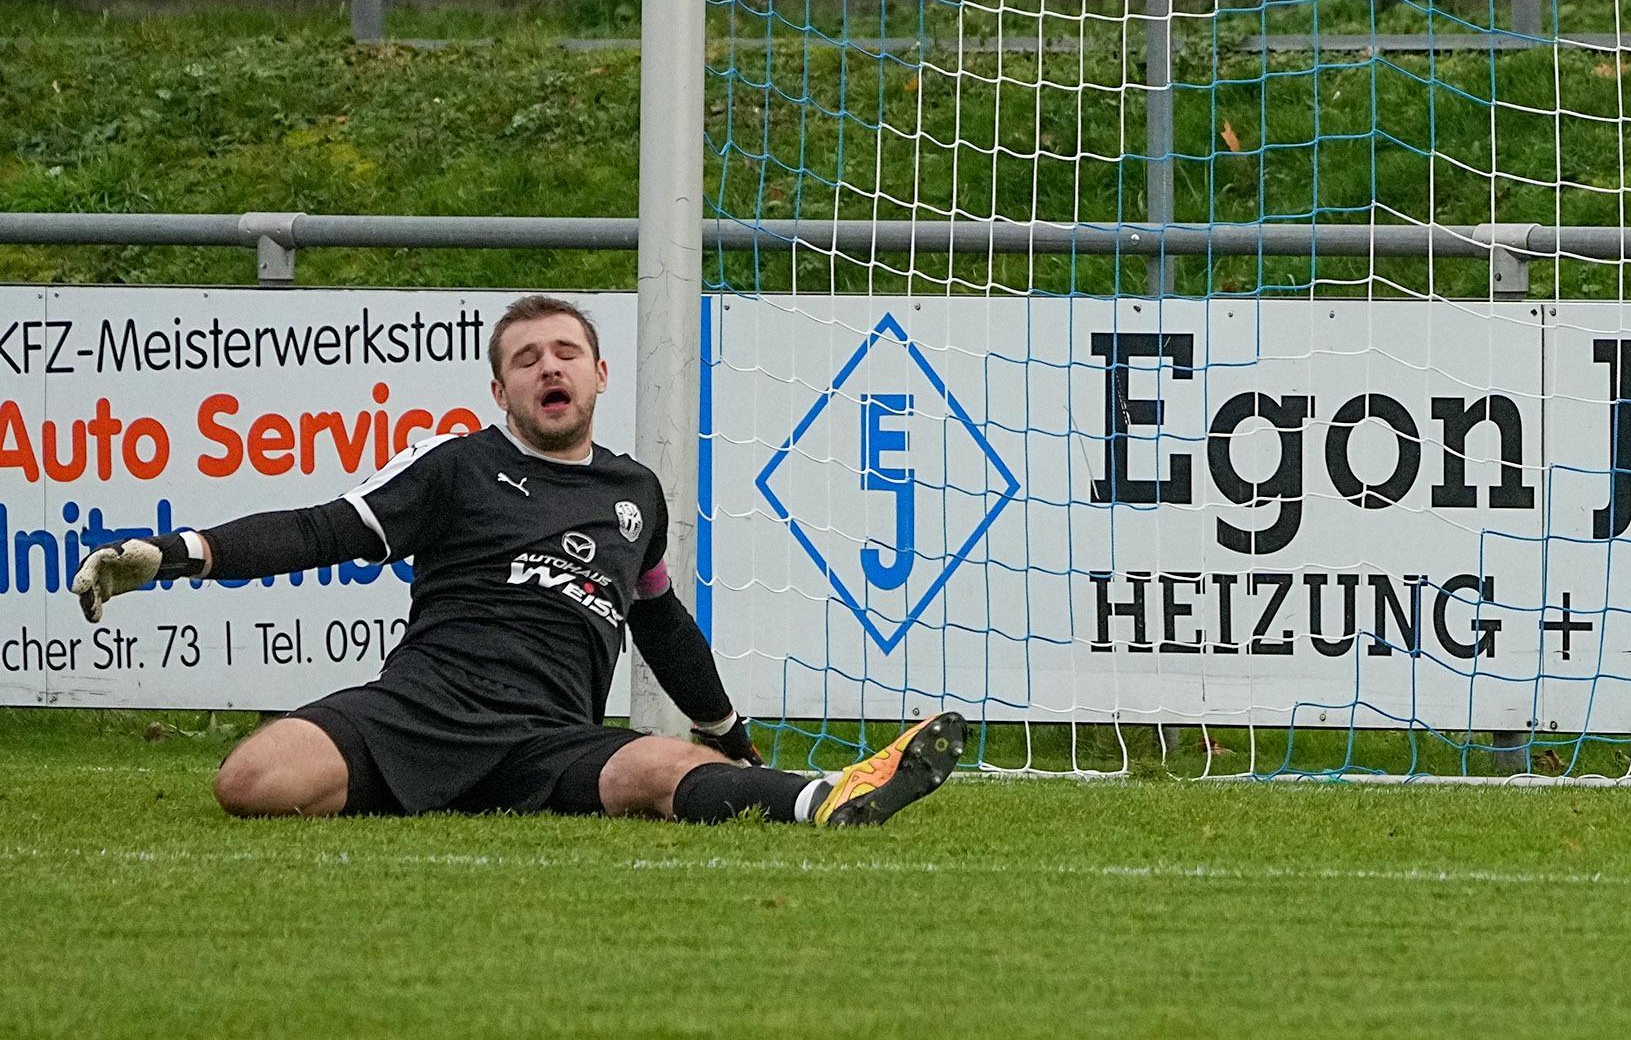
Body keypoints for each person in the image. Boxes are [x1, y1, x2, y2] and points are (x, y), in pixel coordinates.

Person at [71, 293, 965, 828]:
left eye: (567, 352)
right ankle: (423, 785)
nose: (551, 367)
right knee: (249, 783)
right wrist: (172, 555)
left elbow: (656, 619)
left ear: (599, 376)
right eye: (527, 359)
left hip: (549, 737)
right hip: (422, 707)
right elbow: (321, 531)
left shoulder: (636, 493)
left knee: (657, 768)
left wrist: (729, 743)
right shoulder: (460, 467)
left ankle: (825, 799)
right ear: (502, 392)